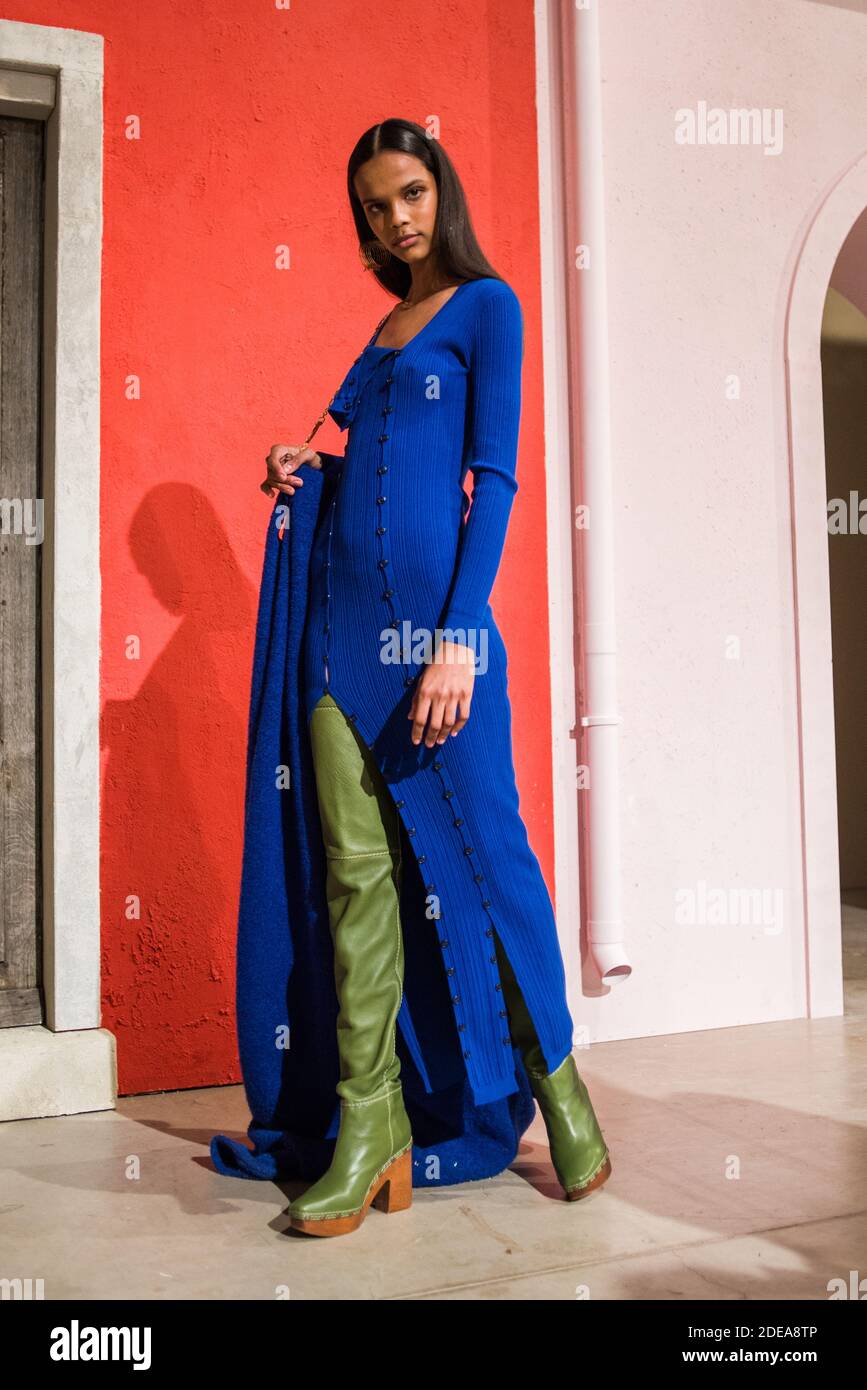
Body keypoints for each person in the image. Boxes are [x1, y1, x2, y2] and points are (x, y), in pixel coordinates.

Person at [260, 119, 610, 1238]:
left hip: (434, 642)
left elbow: (493, 479)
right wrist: (294, 459)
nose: (396, 218)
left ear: (440, 188)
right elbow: (359, 458)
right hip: (334, 636)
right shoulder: (382, 332)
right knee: (357, 879)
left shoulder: (488, 308)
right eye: (374, 206)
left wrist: (460, 634)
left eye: (410, 193)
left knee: (489, 860)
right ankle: (373, 1129)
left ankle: (560, 1092)